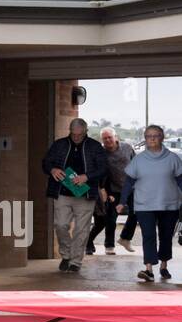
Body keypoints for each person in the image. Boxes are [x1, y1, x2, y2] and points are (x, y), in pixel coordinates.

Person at [41, 118, 107, 274]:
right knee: (61, 225)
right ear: (69, 131)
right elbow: (46, 162)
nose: (76, 137)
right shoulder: (59, 144)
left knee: (81, 230)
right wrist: (52, 170)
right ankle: (66, 254)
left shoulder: (94, 146)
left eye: (79, 134)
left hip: (85, 194)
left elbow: (103, 168)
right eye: (73, 134)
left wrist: (87, 177)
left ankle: (75, 261)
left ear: (85, 132)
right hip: (62, 192)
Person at [119, 125, 182, 283]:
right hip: (144, 205)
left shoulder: (173, 158)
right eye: (148, 136)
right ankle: (149, 269)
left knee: (166, 236)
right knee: (148, 236)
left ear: (162, 137)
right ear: (145, 138)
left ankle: (163, 265)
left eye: (156, 135)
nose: (152, 138)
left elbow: (181, 181)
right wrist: (122, 201)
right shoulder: (139, 160)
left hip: (169, 204)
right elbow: (128, 183)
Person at [87, 127, 131, 256]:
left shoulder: (127, 148)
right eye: (105, 138)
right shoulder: (100, 152)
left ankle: (124, 238)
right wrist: (104, 190)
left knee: (136, 212)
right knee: (107, 219)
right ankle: (106, 245)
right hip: (110, 190)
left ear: (116, 137)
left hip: (130, 188)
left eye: (110, 137)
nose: (108, 140)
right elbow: (99, 172)